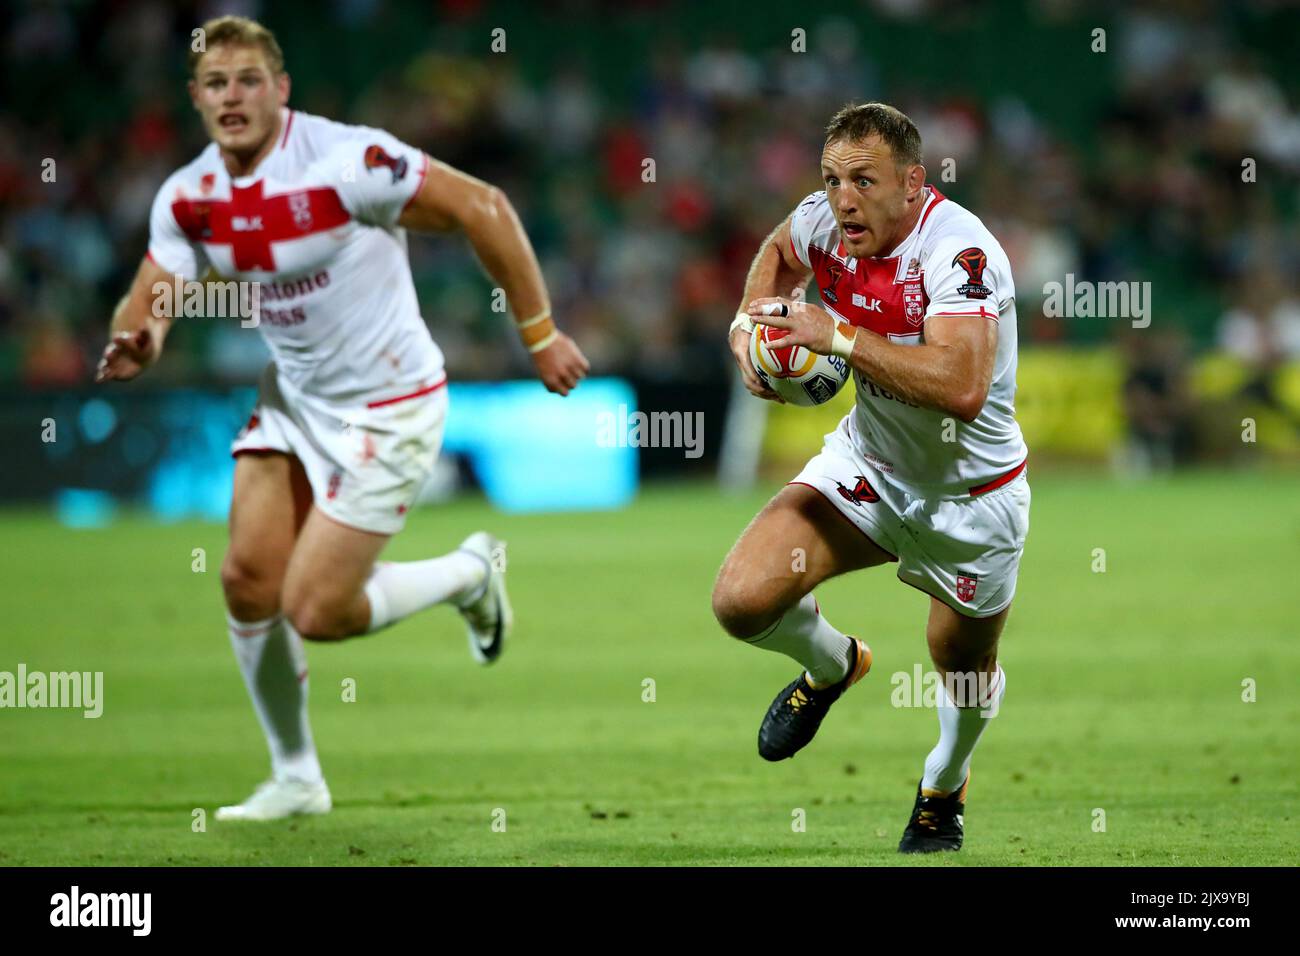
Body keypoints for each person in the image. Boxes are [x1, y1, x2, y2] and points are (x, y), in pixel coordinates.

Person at [95, 15, 589, 821]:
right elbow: (156, 286)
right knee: (246, 580)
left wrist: (538, 334)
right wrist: (140, 337)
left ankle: (470, 573)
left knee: (317, 612)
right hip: (292, 401)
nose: (233, 97)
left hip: (390, 408)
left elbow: (483, 205)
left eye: (249, 80)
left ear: (280, 88)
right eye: (216, 84)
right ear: (195, 98)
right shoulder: (191, 196)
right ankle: (297, 778)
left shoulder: (345, 160)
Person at [714, 102, 1029, 853]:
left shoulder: (960, 250)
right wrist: (745, 326)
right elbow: (780, 249)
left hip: (973, 502)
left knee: (962, 666)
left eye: (863, 179)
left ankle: (944, 783)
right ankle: (834, 665)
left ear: (913, 183)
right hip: (869, 471)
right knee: (740, 601)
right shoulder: (825, 222)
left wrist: (841, 335)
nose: (842, 198)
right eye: (830, 179)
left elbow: (962, 386)